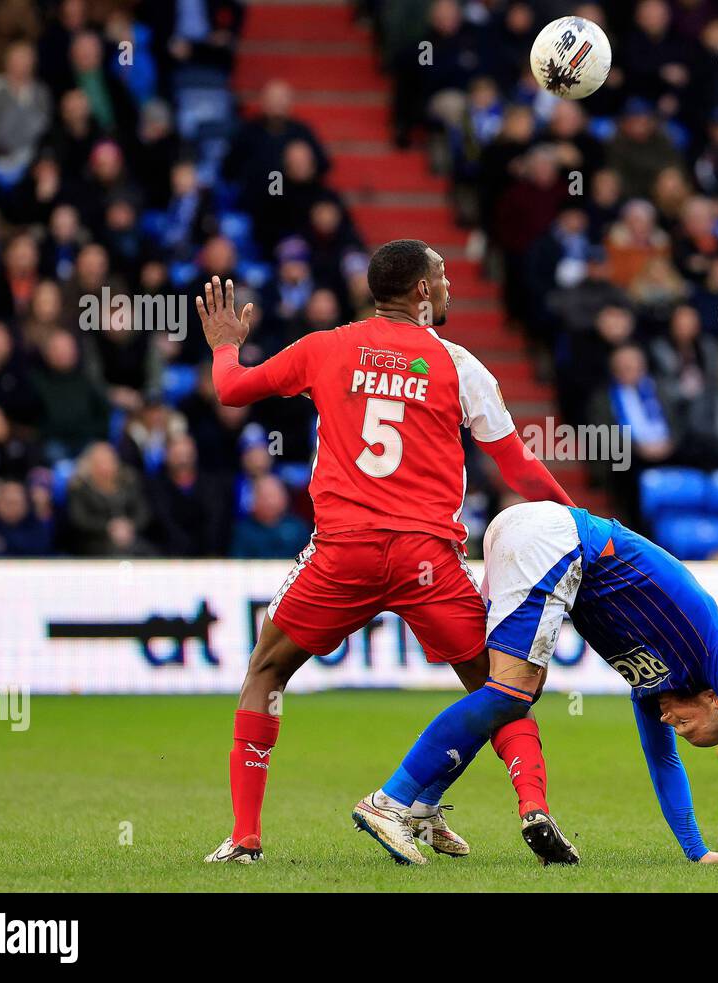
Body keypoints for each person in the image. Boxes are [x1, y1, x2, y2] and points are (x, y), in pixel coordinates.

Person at [197, 240, 575, 864]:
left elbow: (233, 390)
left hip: (343, 553)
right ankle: (531, 807)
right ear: (422, 291)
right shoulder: (458, 366)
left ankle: (245, 839)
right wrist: (577, 522)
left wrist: (223, 346)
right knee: (500, 690)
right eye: (443, 275)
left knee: (266, 671)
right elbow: (520, 468)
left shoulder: (324, 347)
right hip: (428, 560)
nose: (450, 285)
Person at [354, 501, 718, 870]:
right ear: (715, 699)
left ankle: (423, 805)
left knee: (511, 694)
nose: (673, 724)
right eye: (692, 725)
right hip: (557, 540)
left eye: (680, 729)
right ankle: (391, 799)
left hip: (527, 536)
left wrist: (697, 850)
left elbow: (662, 762)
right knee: (512, 692)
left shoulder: (654, 691)